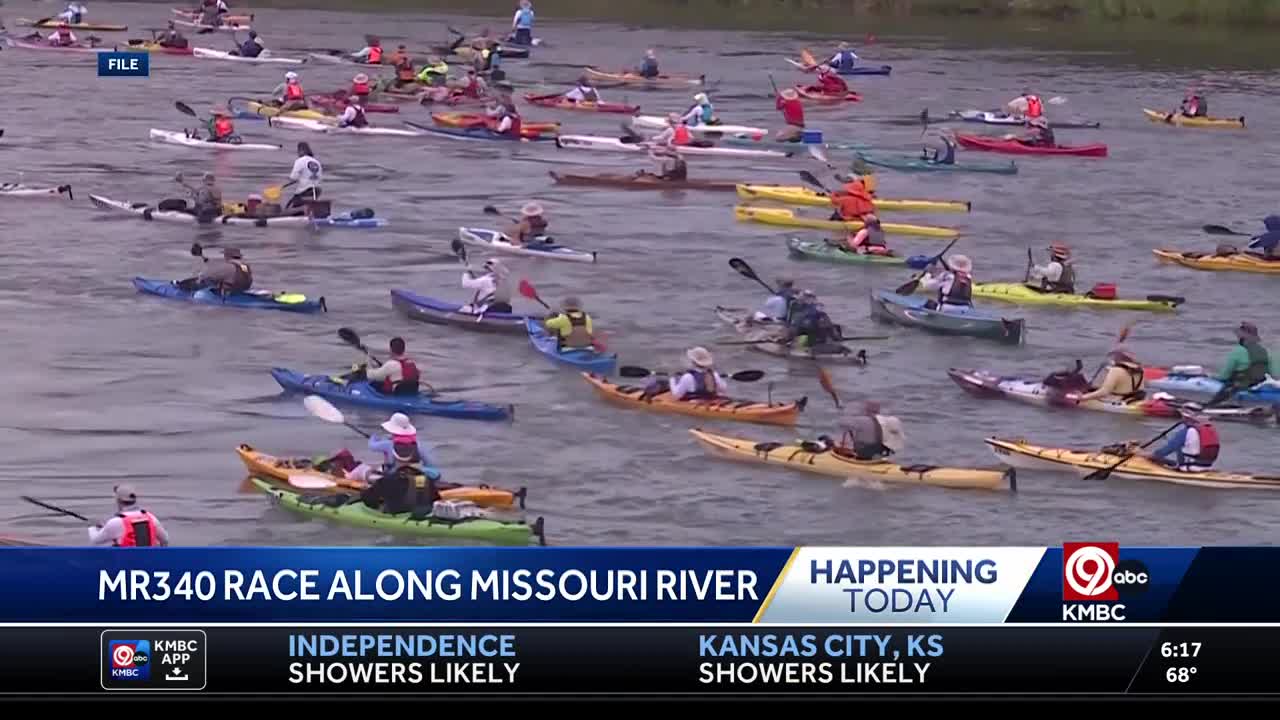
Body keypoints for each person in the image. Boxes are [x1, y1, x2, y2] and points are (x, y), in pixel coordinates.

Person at [360, 441, 443, 515]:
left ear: (394, 456)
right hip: (421, 514)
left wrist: (364, 491)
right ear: (411, 456)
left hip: (397, 517)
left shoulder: (386, 481)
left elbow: (369, 500)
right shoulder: (425, 478)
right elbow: (436, 499)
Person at [87, 485, 170, 547]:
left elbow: (95, 540)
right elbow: (165, 540)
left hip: (125, 564)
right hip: (149, 562)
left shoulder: (115, 523)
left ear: (118, 500)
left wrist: (92, 527)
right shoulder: (151, 517)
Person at [1146, 406, 1219, 470]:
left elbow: (1166, 450)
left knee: (1156, 457)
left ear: (1185, 417)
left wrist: (1150, 456)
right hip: (1208, 466)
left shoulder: (1186, 431)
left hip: (1189, 467)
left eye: (1182, 416)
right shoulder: (1209, 429)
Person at [1214, 322, 1278, 393]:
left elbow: (1224, 376)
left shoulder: (1237, 351)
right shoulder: (1264, 351)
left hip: (1244, 386)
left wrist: (1213, 379)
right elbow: (1271, 372)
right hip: (1260, 384)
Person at [644, 347, 727, 401]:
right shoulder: (714, 374)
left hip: (693, 404)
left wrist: (671, 379)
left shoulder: (687, 377)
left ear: (693, 362)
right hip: (710, 402)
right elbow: (723, 389)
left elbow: (676, 395)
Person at [837, 401, 907, 460]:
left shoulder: (862, 420)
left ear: (866, 410)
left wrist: (846, 413)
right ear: (878, 411)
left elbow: (841, 423)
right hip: (881, 453)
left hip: (864, 454)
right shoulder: (885, 421)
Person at [1076, 348, 1145, 403]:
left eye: (1114, 356)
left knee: (1090, 391)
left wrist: (1083, 397)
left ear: (1118, 357)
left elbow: (1104, 392)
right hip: (1132, 399)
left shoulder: (1115, 370)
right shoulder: (1140, 369)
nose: (1113, 358)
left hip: (1116, 400)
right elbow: (1140, 389)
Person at [287, 141, 322, 209]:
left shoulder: (300, 160)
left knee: (290, 207)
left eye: (298, 151)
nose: (298, 153)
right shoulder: (317, 162)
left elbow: (293, 177)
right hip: (317, 190)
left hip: (305, 191)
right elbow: (319, 177)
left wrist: (290, 179)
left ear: (301, 150)